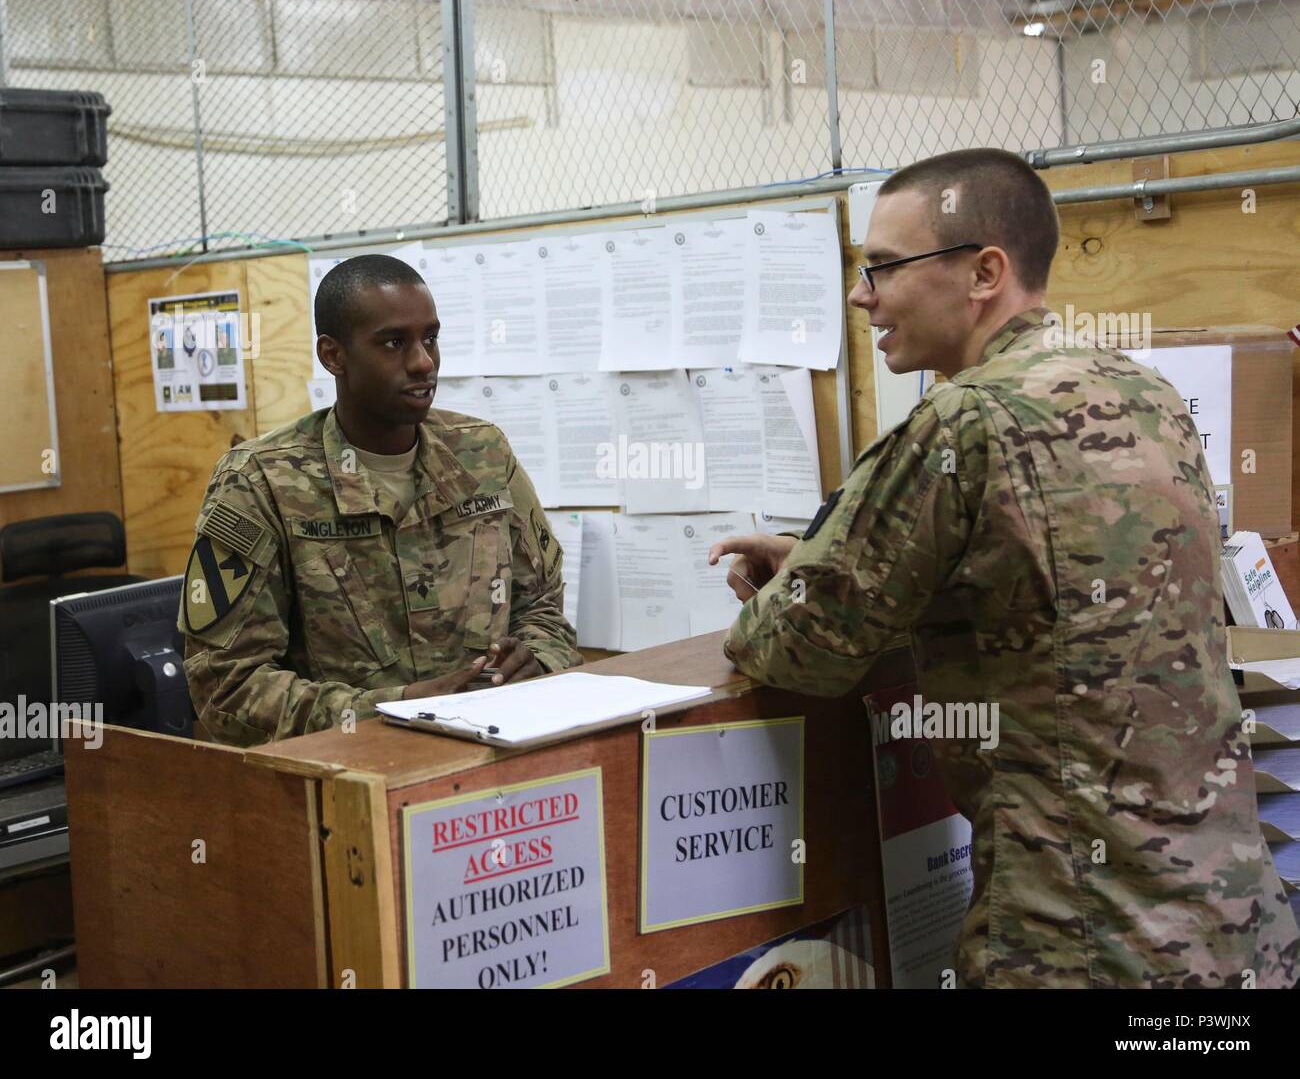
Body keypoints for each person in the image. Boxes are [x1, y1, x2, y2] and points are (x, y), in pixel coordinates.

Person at [709, 148, 1300, 988]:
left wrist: (801, 579)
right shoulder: (1145, 392)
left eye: (882, 267)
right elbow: (1050, 587)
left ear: (986, 271)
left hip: (1079, 939)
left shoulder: (966, 419)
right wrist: (835, 558)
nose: (860, 295)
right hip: (1234, 922)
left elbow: (797, 644)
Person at [178, 254, 580, 746]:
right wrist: (394, 709)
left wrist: (536, 656)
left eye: (430, 338)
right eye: (394, 343)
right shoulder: (261, 483)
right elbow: (225, 686)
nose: (422, 362)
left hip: (491, 750)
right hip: (347, 771)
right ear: (334, 356)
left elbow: (543, 608)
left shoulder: (482, 454)